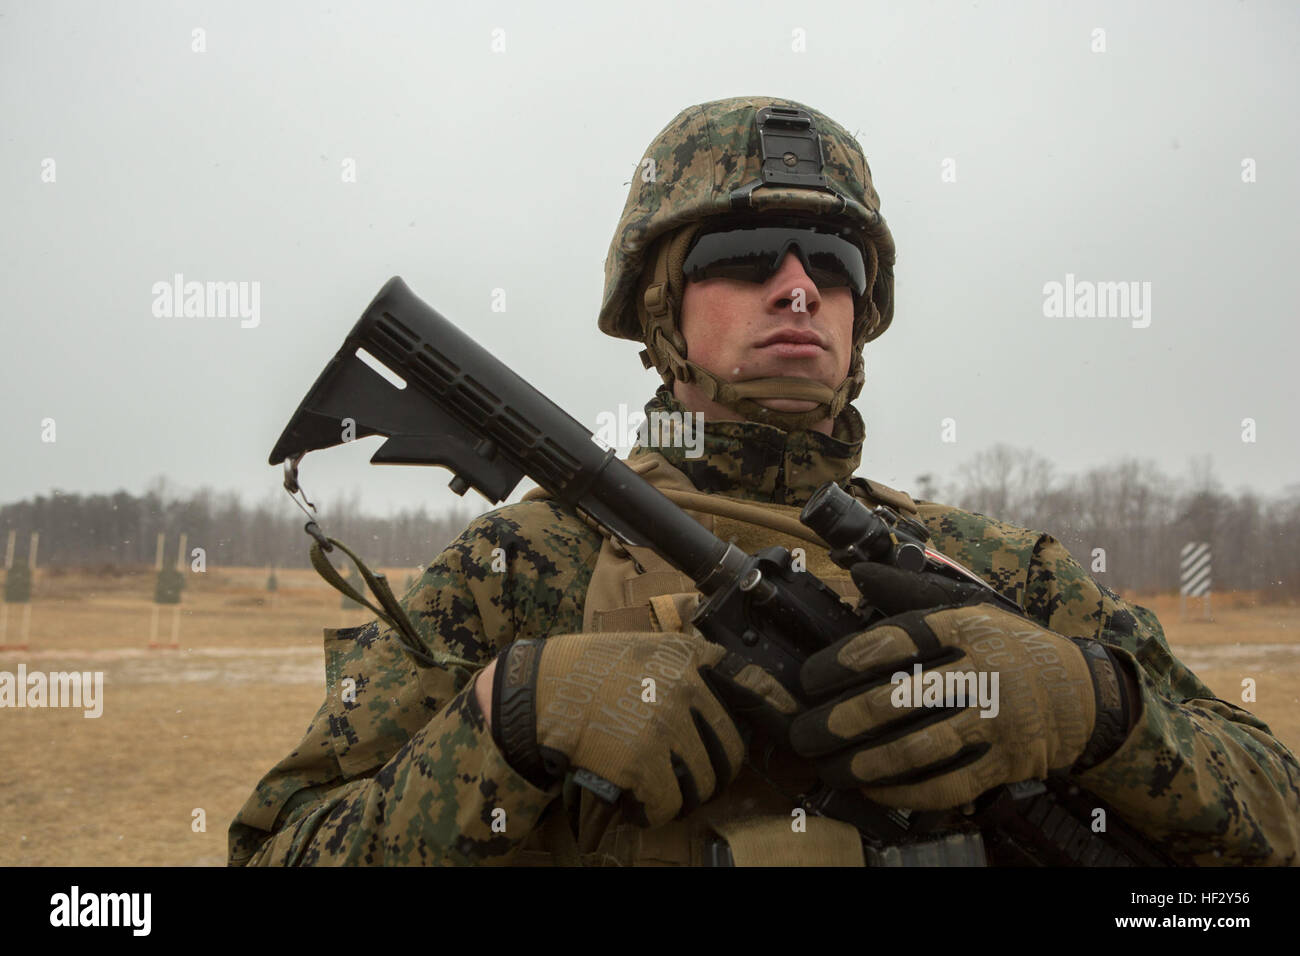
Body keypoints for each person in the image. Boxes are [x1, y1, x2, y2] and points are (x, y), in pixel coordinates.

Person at [229, 96, 1300, 867]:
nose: (797, 286)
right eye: (747, 252)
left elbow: (1276, 811)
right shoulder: (517, 571)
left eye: (835, 265)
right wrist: (508, 720)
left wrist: (1097, 708)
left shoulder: (1005, 574)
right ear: (663, 311)